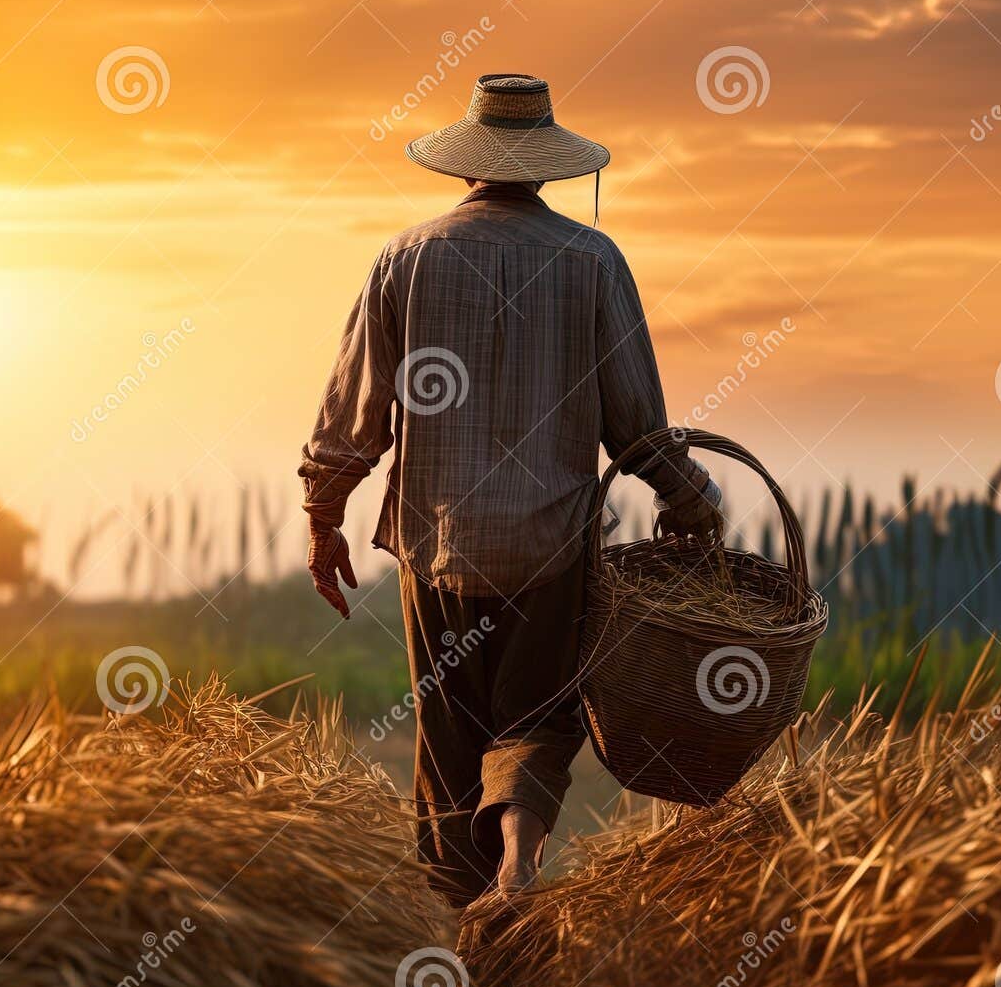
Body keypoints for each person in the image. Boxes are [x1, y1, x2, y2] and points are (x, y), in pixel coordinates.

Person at [297, 74, 722, 906]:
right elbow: (636, 421)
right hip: (551, 547)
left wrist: (323, 516)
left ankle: (462, 926)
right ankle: (519, 866)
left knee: (448, 733)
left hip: (437, 542)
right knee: (538, 719)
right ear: (547, 168)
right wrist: (690, 495)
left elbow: (356, 406)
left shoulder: (407, 257)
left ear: (468, 168)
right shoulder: (593, 260)